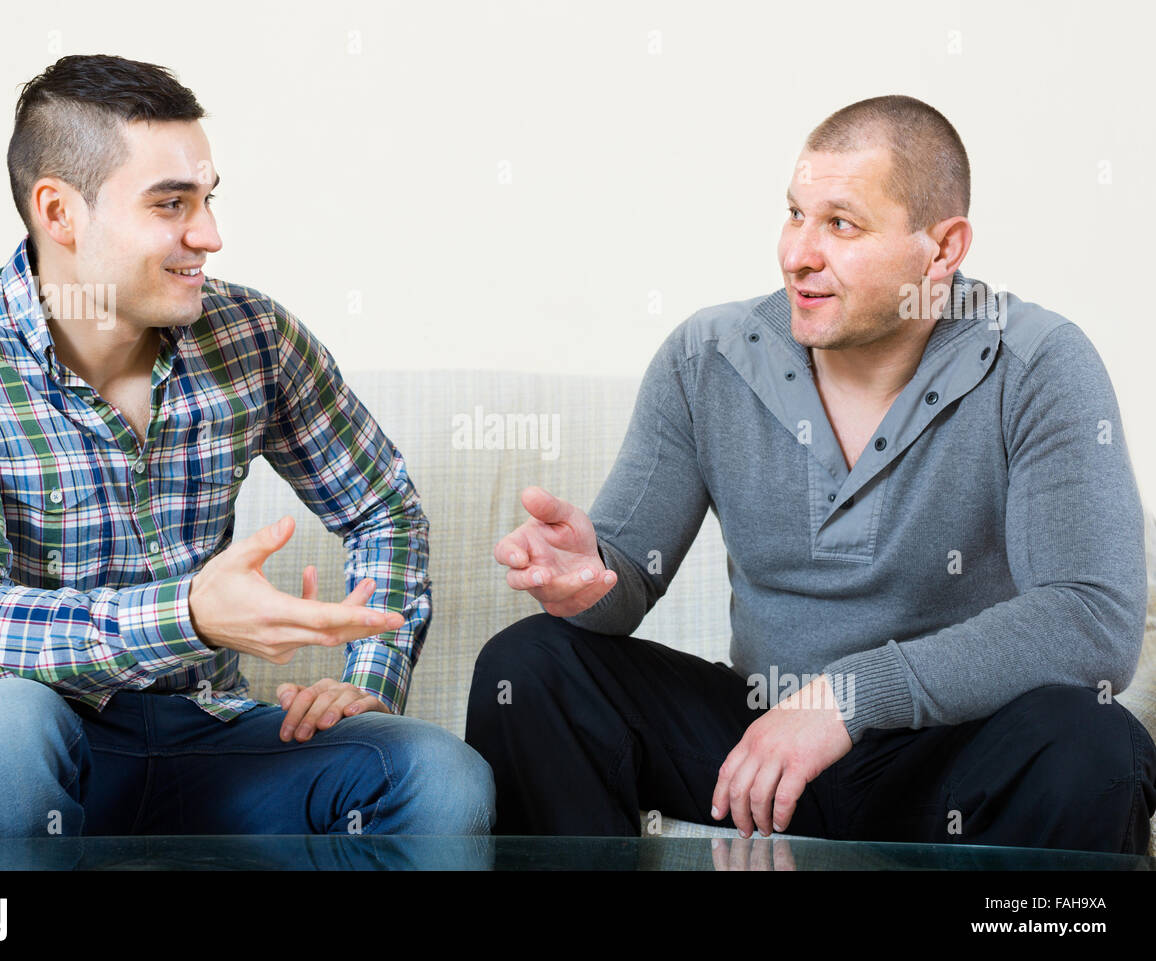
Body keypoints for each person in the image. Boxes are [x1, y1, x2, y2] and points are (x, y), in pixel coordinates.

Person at [466, 94, 1156, 854]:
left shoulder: (1040, 364)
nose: (798, 252)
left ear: (942, 248)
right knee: (530, 666)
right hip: (757, 748)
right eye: (795, 214)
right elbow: (627, 576)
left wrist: (849, 698)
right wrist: (591, 580)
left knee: (1099, 747)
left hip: (954, 752)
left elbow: (1093, 617)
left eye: (841, 224)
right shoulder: (709, 358)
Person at [0, 54, 493, 845]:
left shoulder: (252, 336)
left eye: (208, 199)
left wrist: (367, 678)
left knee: (440, 774)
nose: (210, 235)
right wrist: (189, 614)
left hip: (211, 735)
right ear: (59, 212)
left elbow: (384, 508)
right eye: (171, 204)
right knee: (3, 728)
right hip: (41, 739)